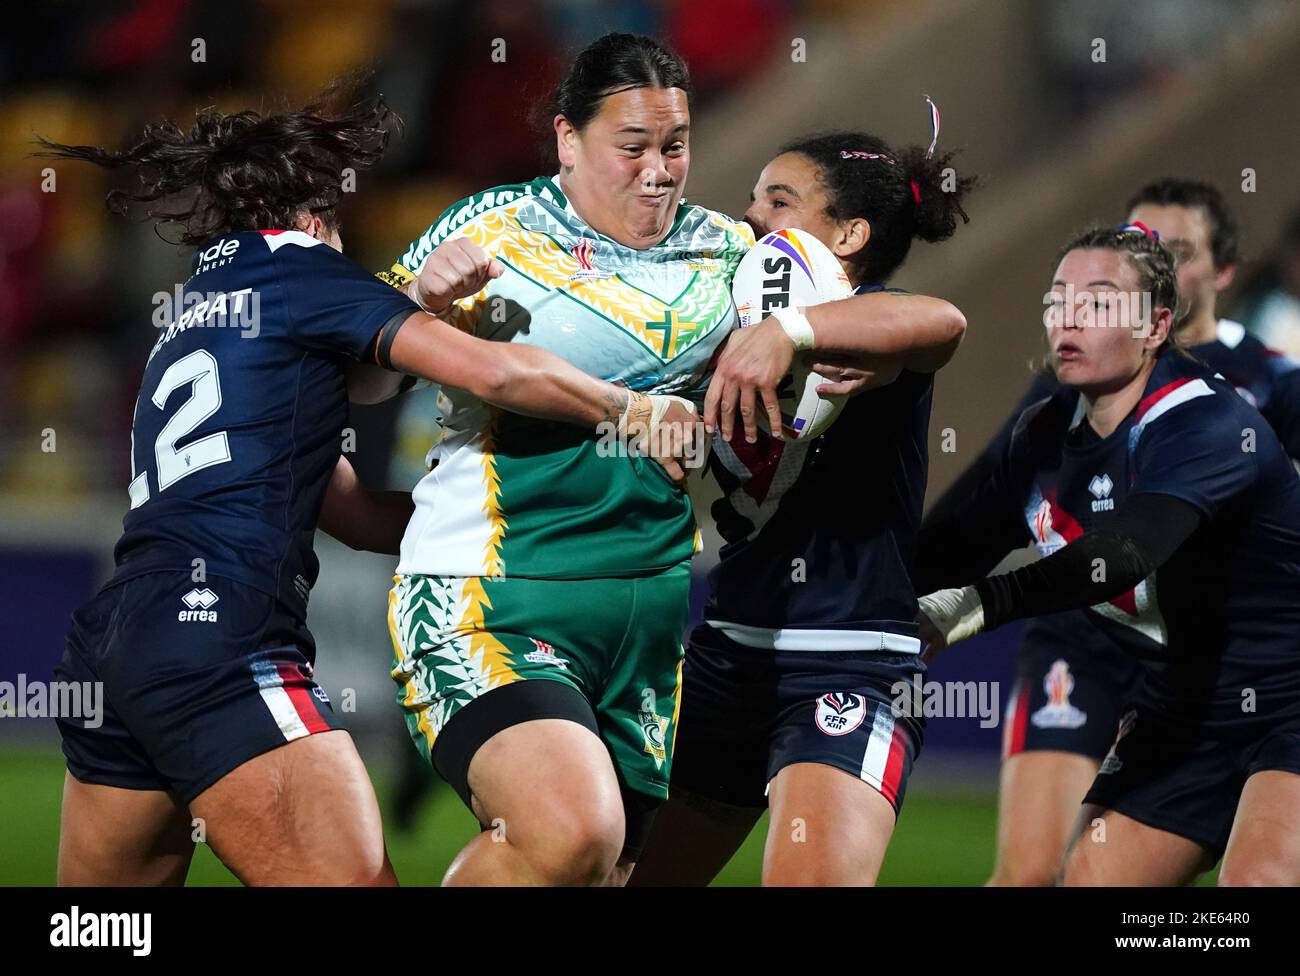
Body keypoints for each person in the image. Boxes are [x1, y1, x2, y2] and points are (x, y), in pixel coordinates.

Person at [41, 88, 694, 886]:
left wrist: (505, 515)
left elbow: (347, 512)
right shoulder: (302, 269)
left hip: (116, 637)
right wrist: (633, 408)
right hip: (220, 637)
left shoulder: (190, 316)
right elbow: (494, 368)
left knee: (100, 933)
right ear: (315, 218)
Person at [382, 34, 964, 886]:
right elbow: (359, 376)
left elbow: (918, 320)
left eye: (676, 146)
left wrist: (790, 332)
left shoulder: (731, 252)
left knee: (611, 868)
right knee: (568, 831)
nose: (659, 170)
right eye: (632, 148)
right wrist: (419, 300)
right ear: (566, 141)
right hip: (496, 595)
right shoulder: (490, 229)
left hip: (648, 627)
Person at [919, 178, 1300, 886]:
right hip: (1183, 706)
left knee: (1256, 886)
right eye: (1059, 301)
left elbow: (1123, 555)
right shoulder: (1044, 428)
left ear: (1157, 326)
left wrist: (973, 606)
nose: (1068, 318)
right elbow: (940, 550)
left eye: (1097, 304)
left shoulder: (1207, 421)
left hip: (1288, 697)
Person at [631, 122, 972, 886]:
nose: (751, 217)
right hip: (726, 652)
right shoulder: (726, 323)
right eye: (752, 198)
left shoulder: (864, 326)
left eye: (778, 201)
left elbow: (941, 323)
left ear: (850, 233)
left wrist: (792, 330)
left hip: (850, 664)